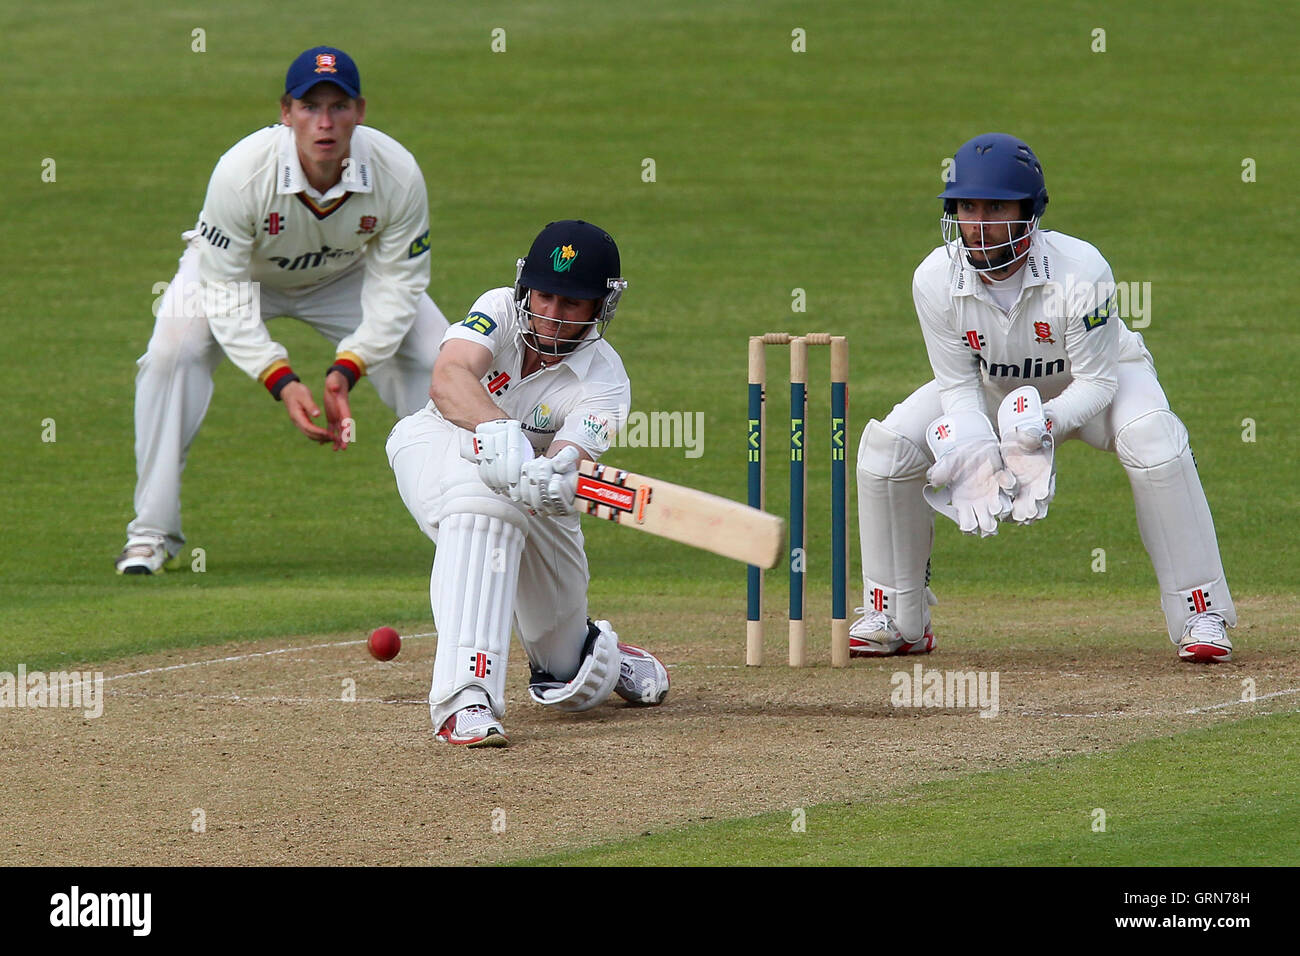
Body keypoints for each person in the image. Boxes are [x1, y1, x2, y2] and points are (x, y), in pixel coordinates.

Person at [852, 132, 1236, 663]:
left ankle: (1200, 610)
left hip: (1097, 383)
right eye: (967, 206)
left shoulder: (1082, 270)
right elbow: (959, 386)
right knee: (886, 452)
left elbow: (1099, 383)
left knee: (1155, 441)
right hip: (995, 391)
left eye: (996, 206)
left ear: (1029, 213)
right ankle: (897, 615)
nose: (980, 222)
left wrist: (1040, 426)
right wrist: (972, 441)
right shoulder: (934, 279)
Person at [116, 46, 448, 574]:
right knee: (170, 355)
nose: (324, 122)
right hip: (243, 275)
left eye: (337, 107)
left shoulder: (396, 172)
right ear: (285, 112)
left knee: (439, 357)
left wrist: (349, 366)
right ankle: (151, 534)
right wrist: (281, 378)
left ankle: (462, 521)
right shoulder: (242, 173)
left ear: (360, 112)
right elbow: (222, 288)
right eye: (309, 106)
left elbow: (398, 282)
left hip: (343, 274)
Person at [386, 220, 670, 747]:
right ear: (524, 289)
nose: (552, 316)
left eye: (572, 304)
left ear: (602, 307)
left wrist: (555, 470)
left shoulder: (607, 384)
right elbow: (449, 377)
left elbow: (572, 454)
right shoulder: (496, 309)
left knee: (563, 666)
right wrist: (501, 432)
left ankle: (593, 654)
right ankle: (464, 698)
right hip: (434, 442)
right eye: (543, 296)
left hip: (538, 492)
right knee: (480, 496)